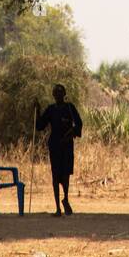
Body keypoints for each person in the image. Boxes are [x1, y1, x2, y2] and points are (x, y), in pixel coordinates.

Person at [37, 84, 82, 216]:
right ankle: (57, 208)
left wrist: (71, 134)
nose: (58, 95)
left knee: (66, 174)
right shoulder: (51, 109)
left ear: (64, 94)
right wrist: (37, 111)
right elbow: (40, 125)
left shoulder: (70, 107)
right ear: (53, 95)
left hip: (67, 146)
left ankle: (66, 198)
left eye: (60, 92)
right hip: (55, 146)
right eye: (55, 93)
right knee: (55, 176)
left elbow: (79, 124)